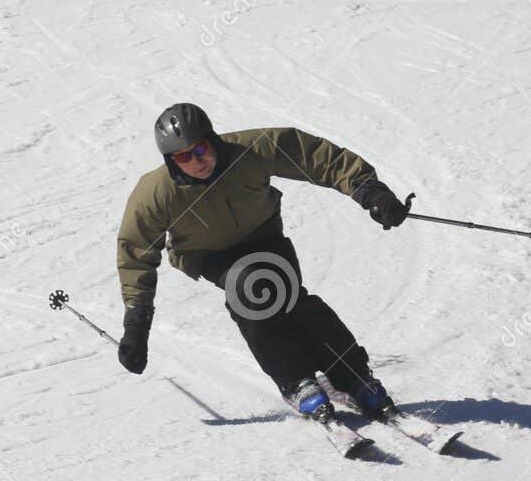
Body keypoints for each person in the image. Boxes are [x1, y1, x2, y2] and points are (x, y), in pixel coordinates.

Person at [114, 102, 411, 422]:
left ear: (212, 139)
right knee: (251, 290)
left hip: (263, 235)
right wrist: (136, 324)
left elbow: (314, 156)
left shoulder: (249, 150)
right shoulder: (155, 193)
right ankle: (296, 381)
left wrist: (370, 191)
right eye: (183, 157)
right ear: (170, 160)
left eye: (200, 148)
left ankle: (353, 375)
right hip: (208, 254)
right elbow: (136, 253)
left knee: (289, 297)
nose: (197, 161)